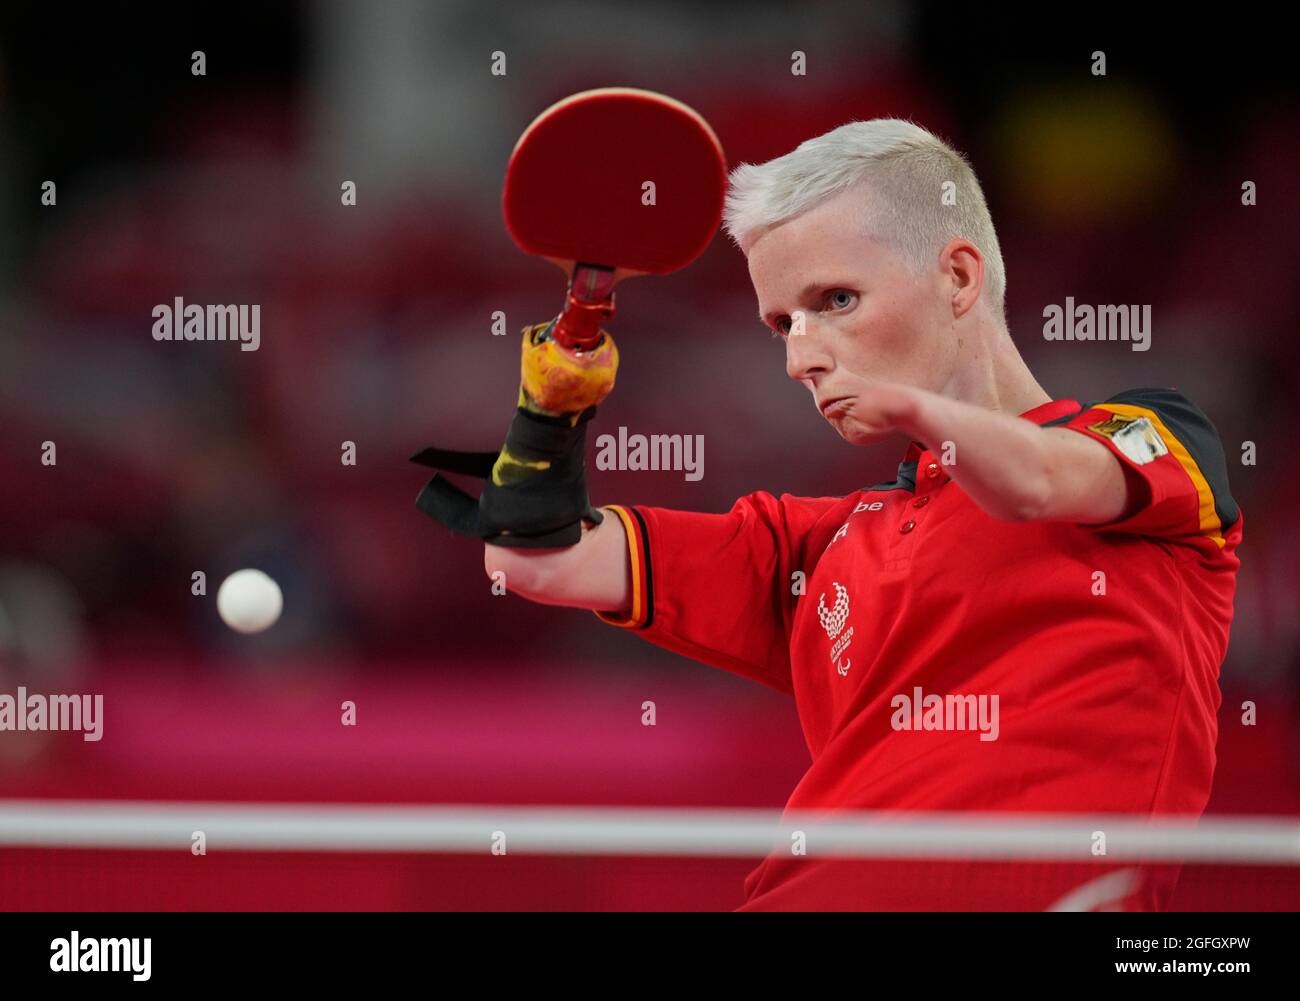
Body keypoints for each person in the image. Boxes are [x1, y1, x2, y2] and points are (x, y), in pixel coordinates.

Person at [417, 119, 1242, 910]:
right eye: (782, 323)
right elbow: (534, 559)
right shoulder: (811, 545)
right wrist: (560, 385)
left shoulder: (1153, 444)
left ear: (958, 277)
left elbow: (1033, 482)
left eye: (836, 300)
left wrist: (917, 409)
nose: (798, 357)